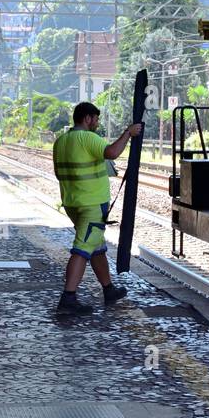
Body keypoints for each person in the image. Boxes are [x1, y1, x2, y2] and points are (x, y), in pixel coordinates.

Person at [52, 102, 142, 314]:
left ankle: (108, 289)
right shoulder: (88, 138)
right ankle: (68, 298)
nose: (97, 123)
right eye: (96, 119)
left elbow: (58, 172)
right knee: (82, 249)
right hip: (91, 205)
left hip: (72, 203)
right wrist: (127, 133)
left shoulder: (61, 141)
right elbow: (111, 152)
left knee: (96, 247)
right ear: (88, 118)